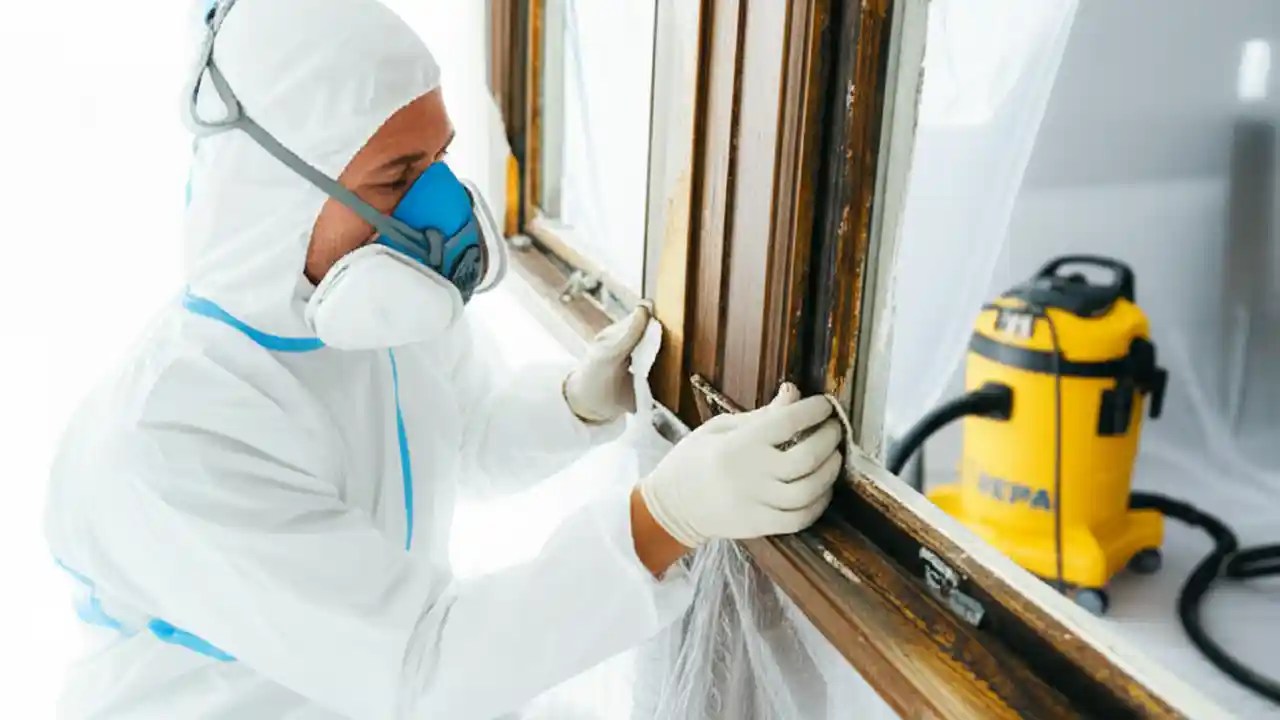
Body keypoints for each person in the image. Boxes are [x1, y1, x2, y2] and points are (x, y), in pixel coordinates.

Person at [44, 0, 844, 717]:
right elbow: (423, 665)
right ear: (275, 193)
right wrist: (664, 519)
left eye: (437, 160)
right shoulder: (169, 442)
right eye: (398, 176)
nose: (442, 209)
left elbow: (464, 440)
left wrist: (574, 404)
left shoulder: (367, 307)